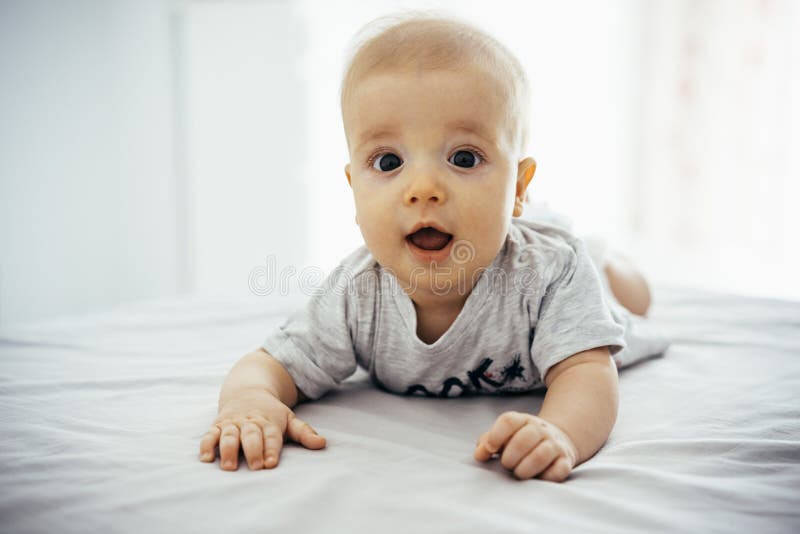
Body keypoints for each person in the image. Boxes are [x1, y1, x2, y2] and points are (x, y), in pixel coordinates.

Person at [198, 12, 669, 482]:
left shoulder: (552, 273)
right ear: (353, 191)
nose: (423, 188)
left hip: (577, 274)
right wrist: (250, 401)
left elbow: (587, 372)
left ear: (518, 186)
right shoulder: (356, 294)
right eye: (388, 162)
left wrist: (561, 432)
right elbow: (270, 364)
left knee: (630, 291)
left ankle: (606, 256)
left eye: (464, 158)